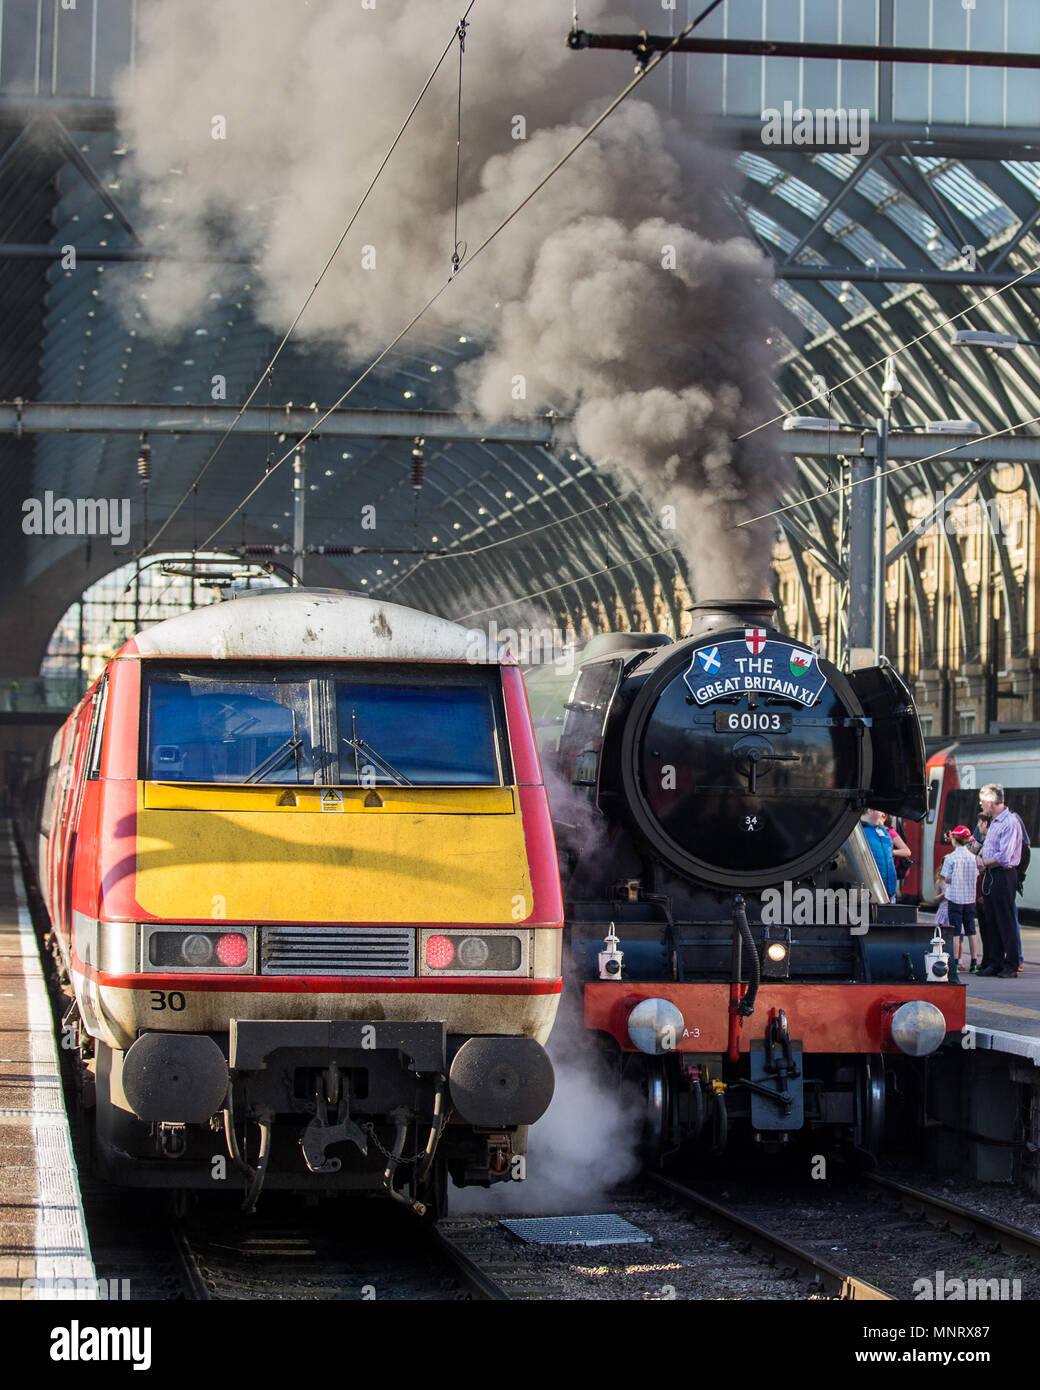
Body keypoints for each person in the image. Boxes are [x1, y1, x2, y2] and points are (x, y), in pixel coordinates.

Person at [973, 784, 1022, 978]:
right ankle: (994, 962)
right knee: (991, 919)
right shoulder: (994, 822)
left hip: (1003, 874)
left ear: (991, 803)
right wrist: (980, 856)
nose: (981, 805)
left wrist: (983, 862)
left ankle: (1011, 964)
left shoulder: (1010, 822)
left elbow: (1005, 855)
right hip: (992, 874)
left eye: (982, 802)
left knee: (1005, 920)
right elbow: (989, 844)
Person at [935, 825, 980, 973]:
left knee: (955, 932)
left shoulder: (950, 858)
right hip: (970, 899)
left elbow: (947, 879)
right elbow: (977, 875)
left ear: (955, 840)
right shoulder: (973, 858)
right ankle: (974, 963)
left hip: (954, 898)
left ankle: (954, 963)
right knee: (971, 932)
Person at [861, 807, 897, 902]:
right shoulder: (859, 830)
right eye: (880, 811)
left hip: (889, 892)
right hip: (871, 892)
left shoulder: (882, 830)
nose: (883, 815)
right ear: (870, 810)